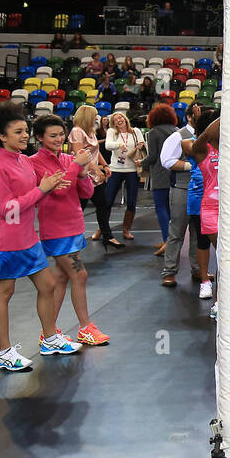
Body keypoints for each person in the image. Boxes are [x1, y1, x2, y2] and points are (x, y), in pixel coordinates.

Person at [0, 102, 83, 370]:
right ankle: (4, 353)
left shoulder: (24, 161)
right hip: (5, 240)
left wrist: (52, 185)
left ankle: (49, 339)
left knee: (47, 285)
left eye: (25, 130)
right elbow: (6, 208)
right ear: (2, 136)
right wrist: (42, 189)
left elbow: (33, 196)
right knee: (4, 292)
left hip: (28, 237)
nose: (25, 135)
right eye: (18, 132)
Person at [29, 114, 109, 346]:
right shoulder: (35, 162)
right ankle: (85, 328)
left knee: (62, 278)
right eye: (52, 135)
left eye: (61, 134)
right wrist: (76, 167)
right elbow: (58, 192)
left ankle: (49, 331)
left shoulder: (67, 159)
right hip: (55, 229)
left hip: (73, 225)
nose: (58, 139)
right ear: (40, 138)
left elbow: (86, 193)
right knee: (79, 274)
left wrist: (81, 173)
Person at [189, 108, 230, 312]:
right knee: (224, 255)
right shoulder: (201, 148)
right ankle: (217, 302)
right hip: (211, 209)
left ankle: (221, 301)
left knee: (229, 256)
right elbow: (205, 134)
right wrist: (228, 110)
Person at [160, 102, 203, 287]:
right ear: (188, 116)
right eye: (197, 113)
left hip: (202, 191)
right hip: (182, 189)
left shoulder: (206, 136)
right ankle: (169, 271)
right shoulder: (177, 136)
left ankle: (198, 269)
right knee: (176, 232)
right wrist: (191, 166)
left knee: (199, 233)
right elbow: (167, 161)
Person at [69, 106, 119, 248]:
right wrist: (97, 170)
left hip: (94, 176)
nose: (97, 118)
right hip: (83, 176)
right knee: (79, 208)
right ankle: (72, 237)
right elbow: (82, 154)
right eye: (95, 115)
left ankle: (107, 235)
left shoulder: (90, 131)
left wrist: (105, 165)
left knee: (103, 204)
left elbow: (96, 151)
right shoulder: (76, 132)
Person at [142, 104, 180, 257]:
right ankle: (171, 240)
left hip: (159, 174)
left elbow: (152, 156)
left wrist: (141, 163)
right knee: (171, 210)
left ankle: (167, 241)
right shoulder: (177, 131)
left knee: (161, 208)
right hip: (175, 174)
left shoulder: (153, 133)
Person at [103, 112, 143, 241]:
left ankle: (126, 229)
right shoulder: (111, 132)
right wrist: (119, 145)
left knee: (131, 202)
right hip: (116, 169)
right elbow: (107, 145)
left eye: (120, 117)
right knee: (107, 201)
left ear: (125, 119)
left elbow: (142, 143)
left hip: (132, 170)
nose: (119, 120)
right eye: (115, 120)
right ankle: (103, 229)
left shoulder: (135, 131)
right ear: (113, 123)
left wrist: (140, 146)